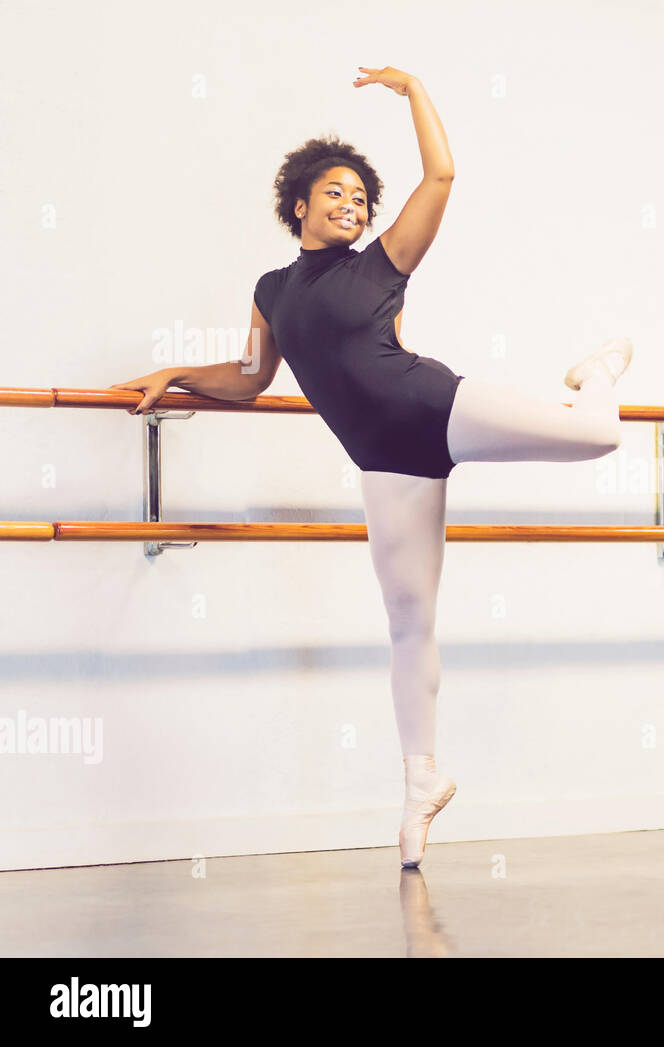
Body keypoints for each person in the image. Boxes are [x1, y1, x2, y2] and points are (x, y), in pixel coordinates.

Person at [110, 66, 635, 869]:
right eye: (335, 193)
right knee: (407, 624)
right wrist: (177, 374)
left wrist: (414, 89)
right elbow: (253, 377)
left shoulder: (381, 263)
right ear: (298, 205)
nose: (350, 204)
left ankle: (596, 368)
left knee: (600, 433)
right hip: (383, 458)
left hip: (434, 407)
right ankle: (420, 783)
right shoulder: (272, 289)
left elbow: (443, 174)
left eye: (359, 196)